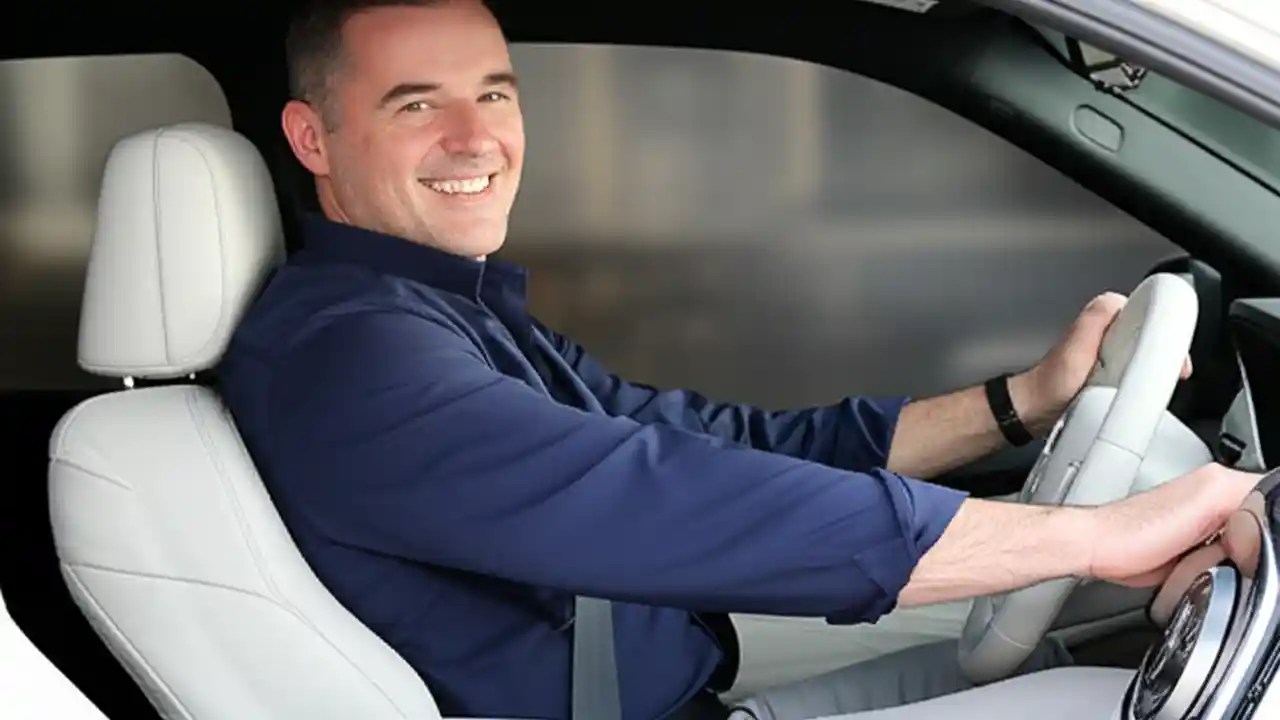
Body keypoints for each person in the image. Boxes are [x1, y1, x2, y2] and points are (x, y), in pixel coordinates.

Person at [214, 1, 1263, 718]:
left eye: (492, 93)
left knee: (1058, 661)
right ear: (312, 138)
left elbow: (711, 447)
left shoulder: (434, 311)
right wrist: (1092, 537)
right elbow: (662, 501)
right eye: (415, 105)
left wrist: (1022, 403)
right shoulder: (351, 360)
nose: (475, 137)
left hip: (672, 674)